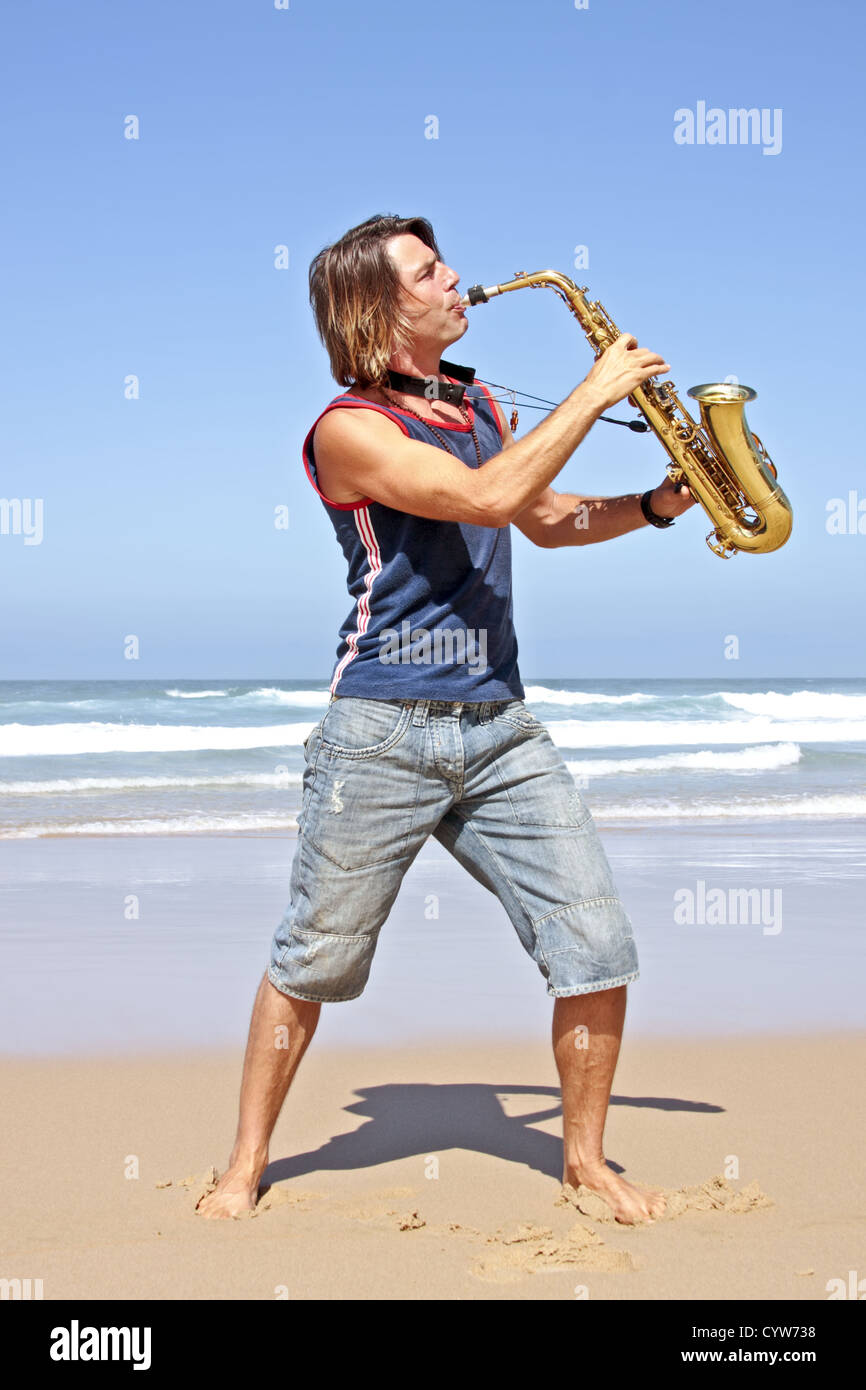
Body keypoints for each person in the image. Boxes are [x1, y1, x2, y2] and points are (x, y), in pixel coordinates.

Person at [197, 213, 695, 1225]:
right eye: (431, 271)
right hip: (378, 730)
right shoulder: (347, 428)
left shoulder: (475, 408)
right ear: (382, 313)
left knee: (595, 945)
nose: (457, 278)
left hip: (500, 728)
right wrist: (594, 391)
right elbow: (478, 500)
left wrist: (653, 502)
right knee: (313, 959)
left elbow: (540, 518)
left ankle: (584, 1164)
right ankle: (244, 1161)